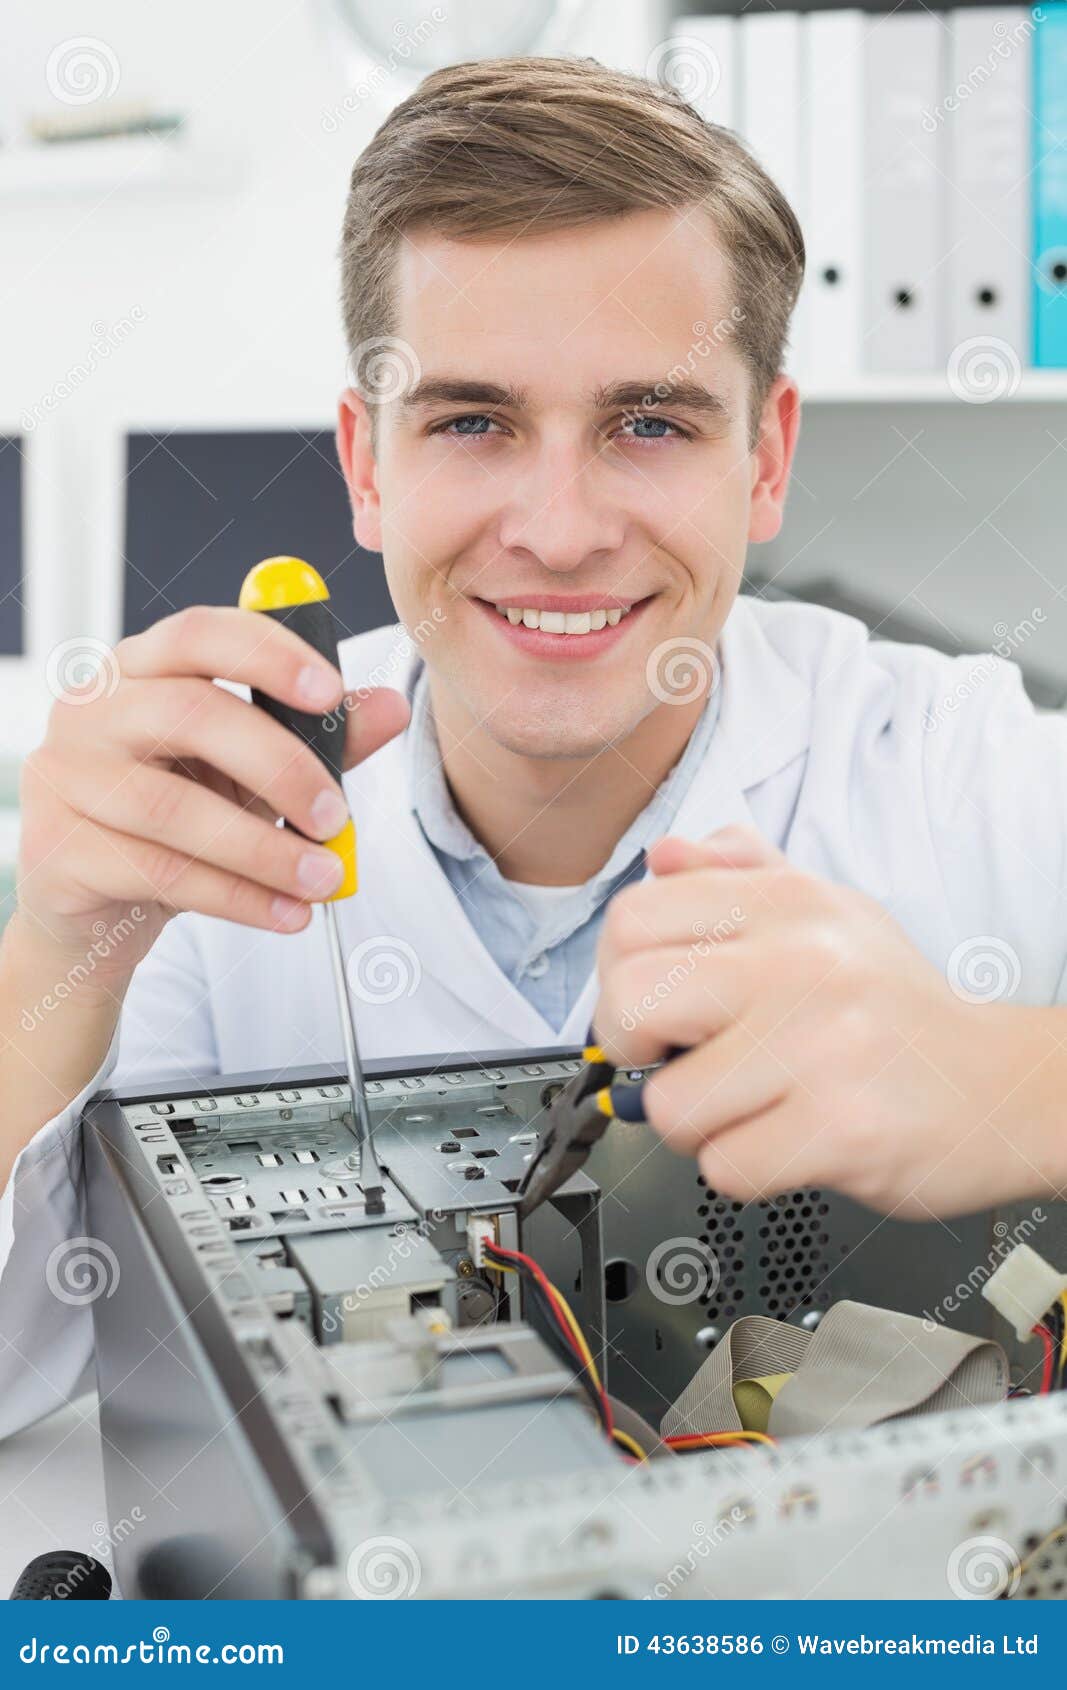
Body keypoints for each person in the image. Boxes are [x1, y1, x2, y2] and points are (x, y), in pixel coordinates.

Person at [2, 56, 1066, 1437]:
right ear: (367, 463)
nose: (559, 529)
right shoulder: (216, 809)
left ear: (764, 458)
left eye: (647, 422)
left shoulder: (961, 762)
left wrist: (1018, 1083)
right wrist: (48, 954)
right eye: (473, 421)